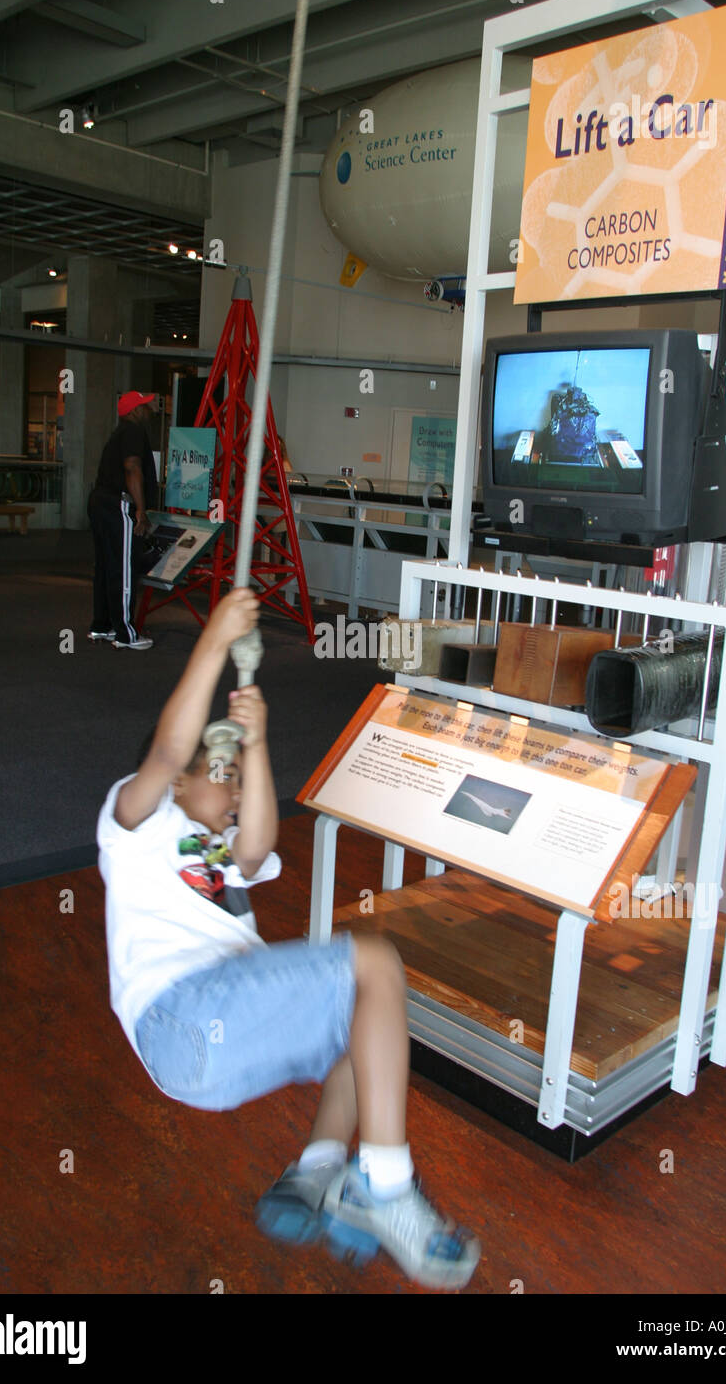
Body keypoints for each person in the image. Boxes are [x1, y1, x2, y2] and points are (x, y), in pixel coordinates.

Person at [96, 588, 480, 1291]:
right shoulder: (136, 822)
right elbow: (168, 746)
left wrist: (259, 746)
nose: (234, 793)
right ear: (175, 782)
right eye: (221, 777)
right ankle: (388, 1190)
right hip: (180, 1015)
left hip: (205, 1051)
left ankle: (318, 1176)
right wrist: (215, 641)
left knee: (365, 1044)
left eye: (237, 785)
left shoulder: (217, 852)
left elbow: (259, 844)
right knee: (374, 963)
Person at [87, 390, 159, 650]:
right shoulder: (133, 432)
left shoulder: (117, 433)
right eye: (145, 406)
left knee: (106, 565)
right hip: (119, 503)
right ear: (134, 411)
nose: (150, 411)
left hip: (101, 501)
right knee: (125, 567)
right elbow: (132, 467)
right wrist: (141, 509)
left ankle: (102, 625)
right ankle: (126, 634)